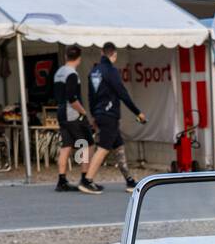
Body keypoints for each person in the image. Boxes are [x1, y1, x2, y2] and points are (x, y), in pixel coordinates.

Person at [86, 43, 147, 191]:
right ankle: (87, 180)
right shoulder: (111, 71)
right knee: (103, 148)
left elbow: (91, 96)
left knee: (119, 147)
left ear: (102, 53)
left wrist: (94, 115)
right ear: (114, 55)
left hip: (100, 114)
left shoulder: (94, 71)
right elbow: (122, 93)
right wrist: (137, 112)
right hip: (109, 115)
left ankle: (129, 180)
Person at [53, 46, 95, 193]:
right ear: (79, 58)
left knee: (66, 146)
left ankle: (61, 180)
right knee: (86, 144)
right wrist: (84, 112)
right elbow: (72, 98)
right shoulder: (72, 74)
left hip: (61, 112)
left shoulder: (59, 72)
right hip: (73, 114)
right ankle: (85, 179)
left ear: (65, 56)